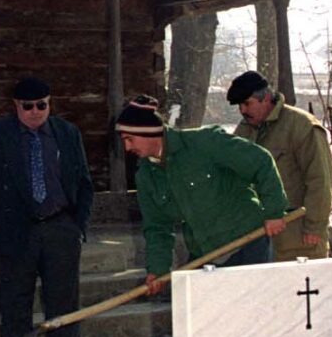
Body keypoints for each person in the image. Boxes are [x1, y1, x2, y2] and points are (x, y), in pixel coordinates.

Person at [0, 75, 94, 337]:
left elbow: (84, 183)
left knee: (64, 303)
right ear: (16, 106)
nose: (35, 111)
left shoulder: (67, 133)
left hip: (60, 227)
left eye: (42, 105)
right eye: (28, 106)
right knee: (15, 303)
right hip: (15, 230)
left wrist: (78, 226)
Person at [114, 97, 289, 295]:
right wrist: (158, 269)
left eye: (130, 139)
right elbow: (157, 227)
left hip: (247, 244)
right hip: (205, 255)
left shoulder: (203, 143)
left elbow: (260, 161)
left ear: (148, 132)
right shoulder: (146, 176)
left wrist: (274, 211)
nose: (127, 148)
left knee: (251, 316)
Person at [227, 70, 332, 260]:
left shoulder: (301, 126)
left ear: (266, 98)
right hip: (257, 238)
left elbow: (320, 180)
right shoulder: (245, 131)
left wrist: (314, 226)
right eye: (239, 106)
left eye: (247, 103)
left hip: (298, 236)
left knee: (302, 288)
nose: (242, 111)